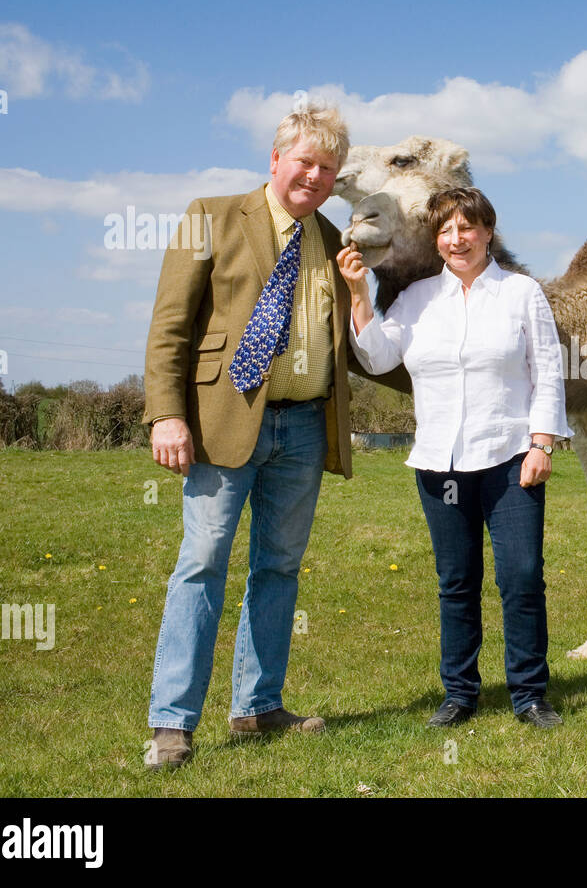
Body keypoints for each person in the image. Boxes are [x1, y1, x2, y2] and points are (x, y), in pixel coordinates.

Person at [142, 106, 354, 769]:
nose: (315, 177)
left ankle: (257, 706)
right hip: (222, 422)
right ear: (275, 159)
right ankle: (172, 724)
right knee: (202, 564)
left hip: (302, 428)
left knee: (279, 569)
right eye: (305, 162)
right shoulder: (212, 213)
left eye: (328, 168)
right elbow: (171, 324)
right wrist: (166, 414)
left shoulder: (331, 235)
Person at [338, 187, 572, 729]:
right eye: (445, 230)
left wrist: (541, 443)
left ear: (488, 231)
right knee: (457, 582)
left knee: (521, 578)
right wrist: (358, 295)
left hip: (510, 457)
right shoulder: (417, 299)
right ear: (436, 240)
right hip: (439, 464)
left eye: (467, 228)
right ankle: (460, 694)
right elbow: (376, 356)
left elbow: (548, 372)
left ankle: (530, 695)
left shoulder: (521, 293)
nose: (456, 239)